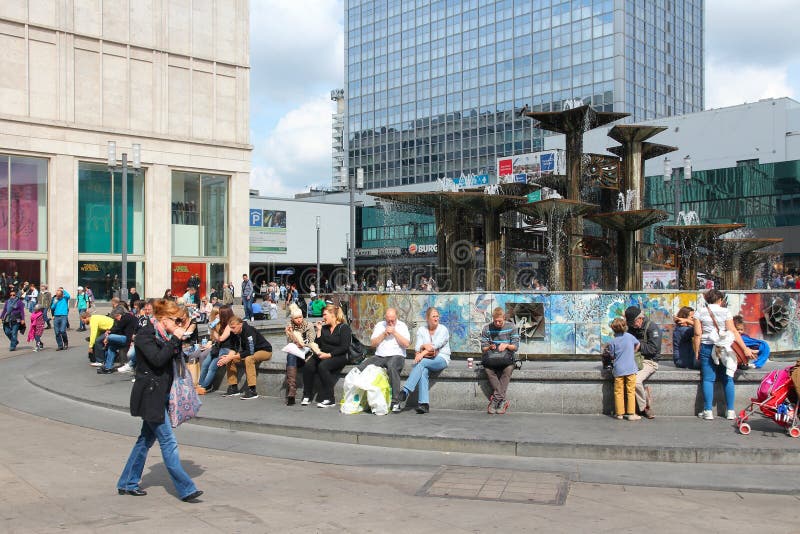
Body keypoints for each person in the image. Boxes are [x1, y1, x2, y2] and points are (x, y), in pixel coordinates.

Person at [116, 299, 203, 502]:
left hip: (162, 392)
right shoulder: (145, 335)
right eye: (176, 320)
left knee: (145, 440)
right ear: (163, 319)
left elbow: (173, 358)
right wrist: (175, 339)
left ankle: (127, 482)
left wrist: (180, 337)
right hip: (150, 395)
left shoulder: (165, 334)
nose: (179, 324)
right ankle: (186, 488)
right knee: (168, 441)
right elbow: (157, 360)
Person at [693, 289, 754, 420]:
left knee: (708, 379)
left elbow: (697, 334)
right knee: (727, 378)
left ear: (707, 300)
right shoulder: (726, 311)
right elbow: (733, 331)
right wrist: (744, 349)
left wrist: (697, 351)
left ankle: (708, 411)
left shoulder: (699, 312)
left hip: (707, 347)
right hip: (724, 348)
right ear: (720, 300)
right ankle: (730, 411)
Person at [393, 307, 450, 414]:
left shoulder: (443, 329)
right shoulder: (421, 330)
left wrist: (422, 353)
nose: (436, 318)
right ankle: (424, 405)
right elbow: (418, 347)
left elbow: (435, 345)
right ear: (427, 318)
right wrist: (423, 347)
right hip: (427, 360)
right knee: (423, 371)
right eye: (433, 316)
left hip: (442, 358)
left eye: (437, 316)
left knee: (422, 362)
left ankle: (405, 391)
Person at [361, 308, 410, 412]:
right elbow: (373, 344)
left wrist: (395, 333)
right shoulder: (380, 325)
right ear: (385, 318)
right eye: (388, 320)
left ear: (397, 317)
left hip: (397, 355)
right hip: (380, 356)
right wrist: (384, 334)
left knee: (392, 367)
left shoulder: (402, 326)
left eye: (393, 320)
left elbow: (406, 344)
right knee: (362, 366)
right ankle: (363, 399)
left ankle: (395, 401)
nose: (390, 322)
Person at [302, 305, 351, 407]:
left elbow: (345, 347)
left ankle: (329, 398)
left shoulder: (344, 328)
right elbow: (318, 344)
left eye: (325, 314)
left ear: (333, 315)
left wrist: (329, 355)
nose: (323, 317)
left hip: (338, 356)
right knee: (308, 365)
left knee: (323, 366)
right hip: (323, 354)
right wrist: (319, 330)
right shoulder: (324, 328)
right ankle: (307, 395)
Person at [218, 316, 273, 400]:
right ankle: (233, 388)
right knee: (230, 359)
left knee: (249, 359)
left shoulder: (248, 330)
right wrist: (227, 358)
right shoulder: (233, 332)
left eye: (233, 327)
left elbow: (250, 351)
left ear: (240, 324)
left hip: (265, 351)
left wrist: (232, 356)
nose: (232, 330)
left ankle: (252, 390)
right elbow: (233, 348)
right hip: (251, 352)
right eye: (231, 328)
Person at [479, 307, 520, 414]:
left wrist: (506, 345)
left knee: (508, 369)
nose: (497, 323)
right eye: (495, 321)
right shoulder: (487, 328)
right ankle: (503, 400)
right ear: (492, 319)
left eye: (500, 321)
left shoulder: (511, 327)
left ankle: (496, 400)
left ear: (504, 318)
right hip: (492, 357)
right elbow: (483, 348)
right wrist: (490, 347)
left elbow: (515, 347)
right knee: (488, 369)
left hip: (507, 358)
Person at [624, 306, 661, 419]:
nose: (633, 325)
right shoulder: (631, 328)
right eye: (631, 323)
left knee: (635, 381)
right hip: (635, 359)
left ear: (640, 318)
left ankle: (645, 407)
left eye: (634, 322)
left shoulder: (652, 328)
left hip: (649, 361)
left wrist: (639, 346)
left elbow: (654, 349)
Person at [605, 317, 641, 421]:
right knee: (630, 391)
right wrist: (633, 351)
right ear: (625, 326)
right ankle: (631, 414)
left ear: (613, 329)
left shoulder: (612, 341)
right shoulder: (630, 337)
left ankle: (619, 413)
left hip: (618, 369)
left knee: (618, 391)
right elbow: (638, 344)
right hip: (630, 368)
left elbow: (612, 356)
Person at [283, 303, 318, 405]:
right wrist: (291, 334)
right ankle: (292, 391)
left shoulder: (309, 325)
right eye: (296, 318)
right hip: (296, 355)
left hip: (307, 354)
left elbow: (312, 341)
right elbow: (289, 343)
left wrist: (302, 344)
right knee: (290, 355)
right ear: (292, 319)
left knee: (292, 356)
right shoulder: (290, 327)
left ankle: (293, 391)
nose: (298, 320)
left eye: (300, 317)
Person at [98, 306, 137, 374]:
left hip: (129, 339)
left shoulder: (126, 318)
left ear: (119, 315)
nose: (116, 319)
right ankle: (108, 367)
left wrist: (107, 336)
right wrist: (109, 332)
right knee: (112, 347)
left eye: (116, 317)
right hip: (126, 338)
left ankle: (108, 366)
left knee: (110, 337)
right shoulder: (126, 317)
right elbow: (118, 330)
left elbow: (117, 329)